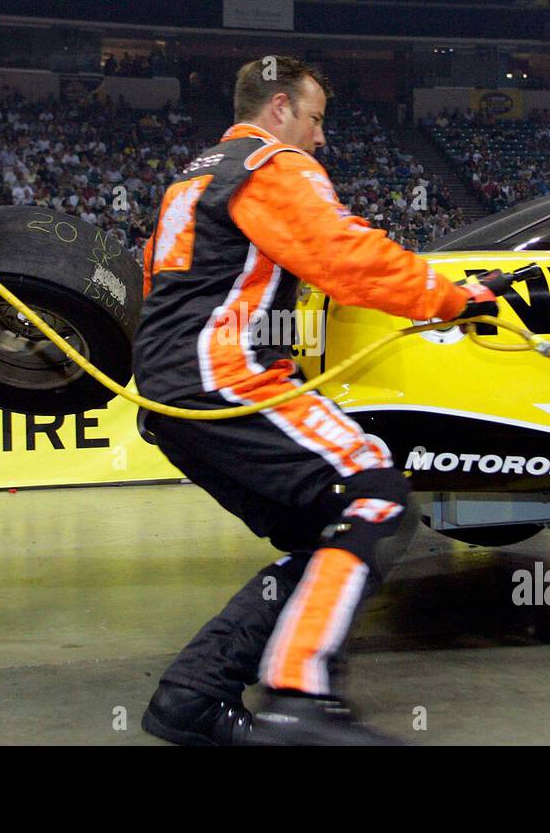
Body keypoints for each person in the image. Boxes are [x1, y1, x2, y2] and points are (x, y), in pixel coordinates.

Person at [133, 57, 498, 745]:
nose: (321, 137)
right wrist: (455, 297)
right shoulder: (274, 162)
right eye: (316, 117)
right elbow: (345, 256)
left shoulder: (196, 173)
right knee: (377, 497)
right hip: (225, 375)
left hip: (172, 392)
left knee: (323, 535)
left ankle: (193, 693)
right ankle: (300, 696)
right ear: (279, 107)